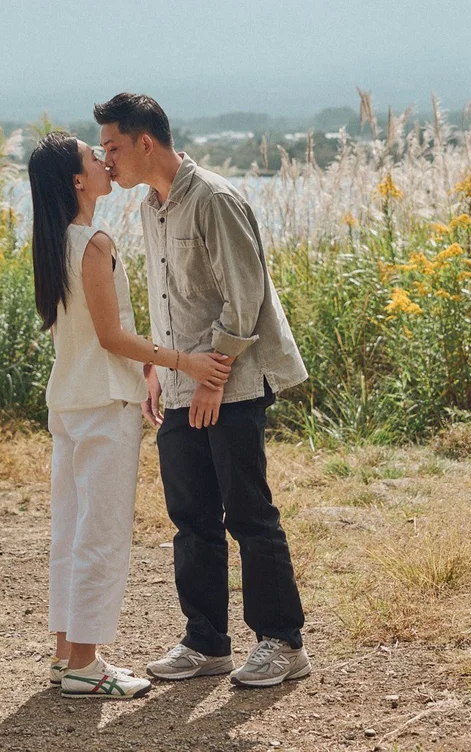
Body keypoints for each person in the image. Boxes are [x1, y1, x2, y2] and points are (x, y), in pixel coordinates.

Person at [93, 95, 312, 688]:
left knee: (248, 514)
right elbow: (170, 300)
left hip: (232, 382)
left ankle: (283, 643)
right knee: (190, 518)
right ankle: (207, 642)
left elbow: (245, 300)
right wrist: (155, 373)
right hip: (181, 384)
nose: (105, 159)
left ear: (145, 142)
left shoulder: (213, 198)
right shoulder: (149, 207)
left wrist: (213, 377)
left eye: (112, 146)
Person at [27, 130, 232, 699]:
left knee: (72, 531)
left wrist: (149, 369)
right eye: (95, 158)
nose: (105, 162)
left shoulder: (57, 241)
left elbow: (92, 336)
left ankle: (68, 656)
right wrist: (180, 362)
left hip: (70, 402)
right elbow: (112, 336)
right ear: (76, 180)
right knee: (102, 534)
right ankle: (88, 666)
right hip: (101, 406)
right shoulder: (92, 241)